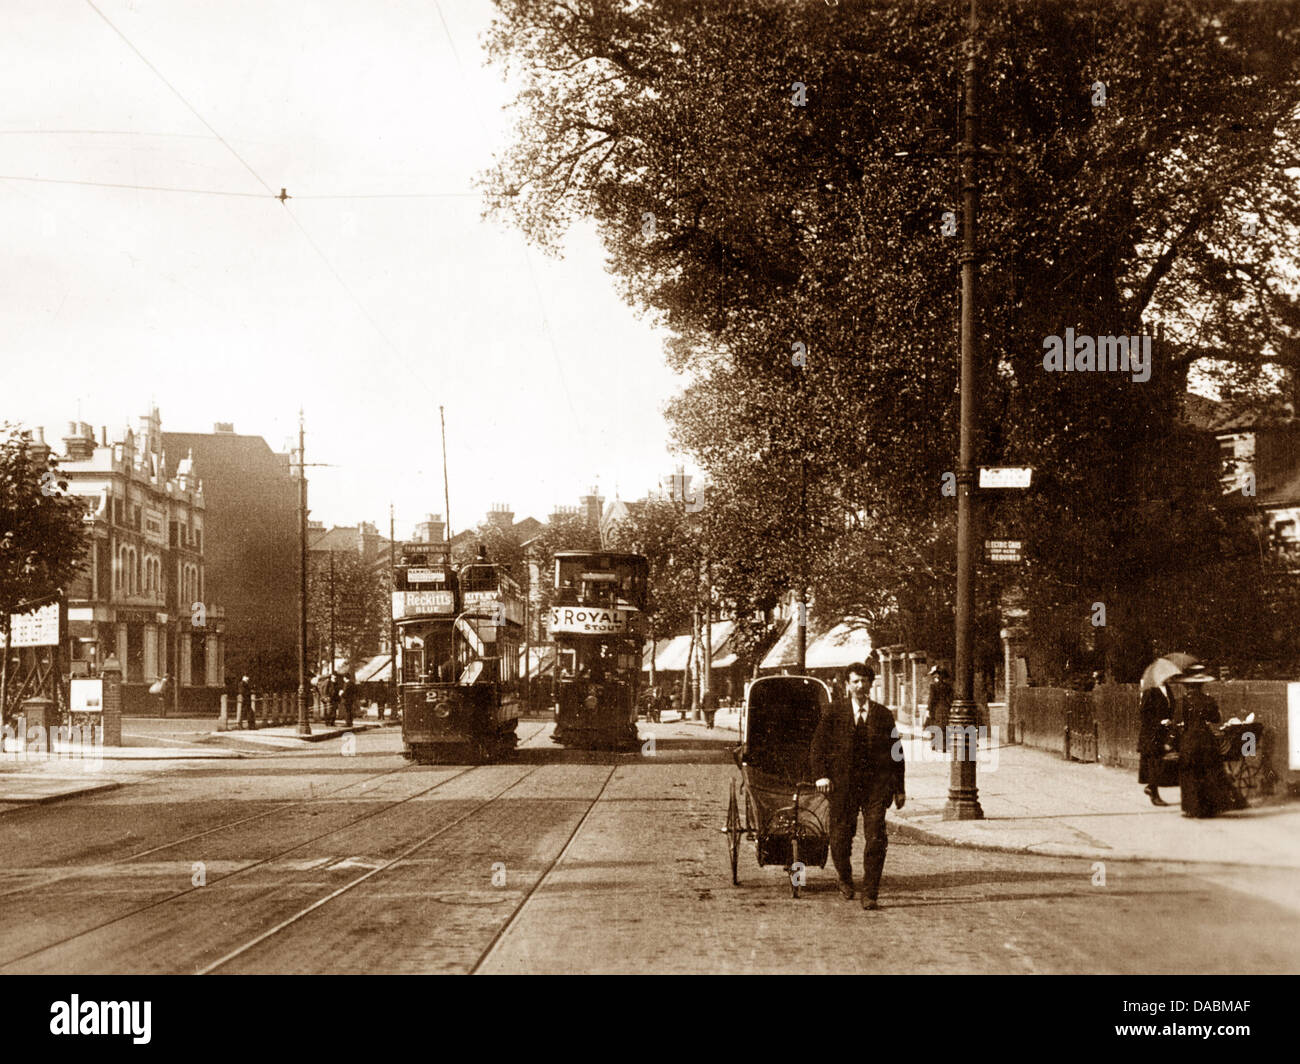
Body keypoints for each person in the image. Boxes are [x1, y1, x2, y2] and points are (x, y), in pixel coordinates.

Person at [811, 662, 905, 911]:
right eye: (855, 682)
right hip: (843, 786)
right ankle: (844, 876)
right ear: (847, 685)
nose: (861, 686)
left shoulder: (883, 715)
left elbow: (896, 752)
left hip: (876, 786)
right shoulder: (833, 712)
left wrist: (899, 787)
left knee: (876, 837)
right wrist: (822, 776)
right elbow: (818, 747)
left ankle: (870, 892)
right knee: (840, 837)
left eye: (865, 681)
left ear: (871, 684)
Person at [1178, 676, 1244, 818]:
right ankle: (1209, 808)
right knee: (1208, 773)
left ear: (1186, 686)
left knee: (1190, 774)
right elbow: (1216, 718)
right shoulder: (1208, 699)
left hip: (1190, 740)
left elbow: (1178, 721)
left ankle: (1192, 809)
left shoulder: (1182, 701)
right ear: (1201, 685)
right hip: (1206, 740)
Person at [1137, 680, 1176, 805]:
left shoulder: (1167, 688)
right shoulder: (1150, 690)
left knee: (1158, 761)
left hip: (1163, 731)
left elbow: (1170, 707)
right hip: (1151, 732)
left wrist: (1168, 720)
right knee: (1154, 761)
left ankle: (1151, 788)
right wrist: (1159, 722)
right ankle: (1154, 793)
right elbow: (1143, 713)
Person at [926, 665, 953, 753]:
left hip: (936, 709)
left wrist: (929, 709)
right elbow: (951, 698)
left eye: (934, 674)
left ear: (937, 675)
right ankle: (945, 746)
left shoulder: (933, 686)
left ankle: (935, 745)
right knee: (945, 726)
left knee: (934, 725)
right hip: (946, 708)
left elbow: (931, 699)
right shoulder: (948, 686)